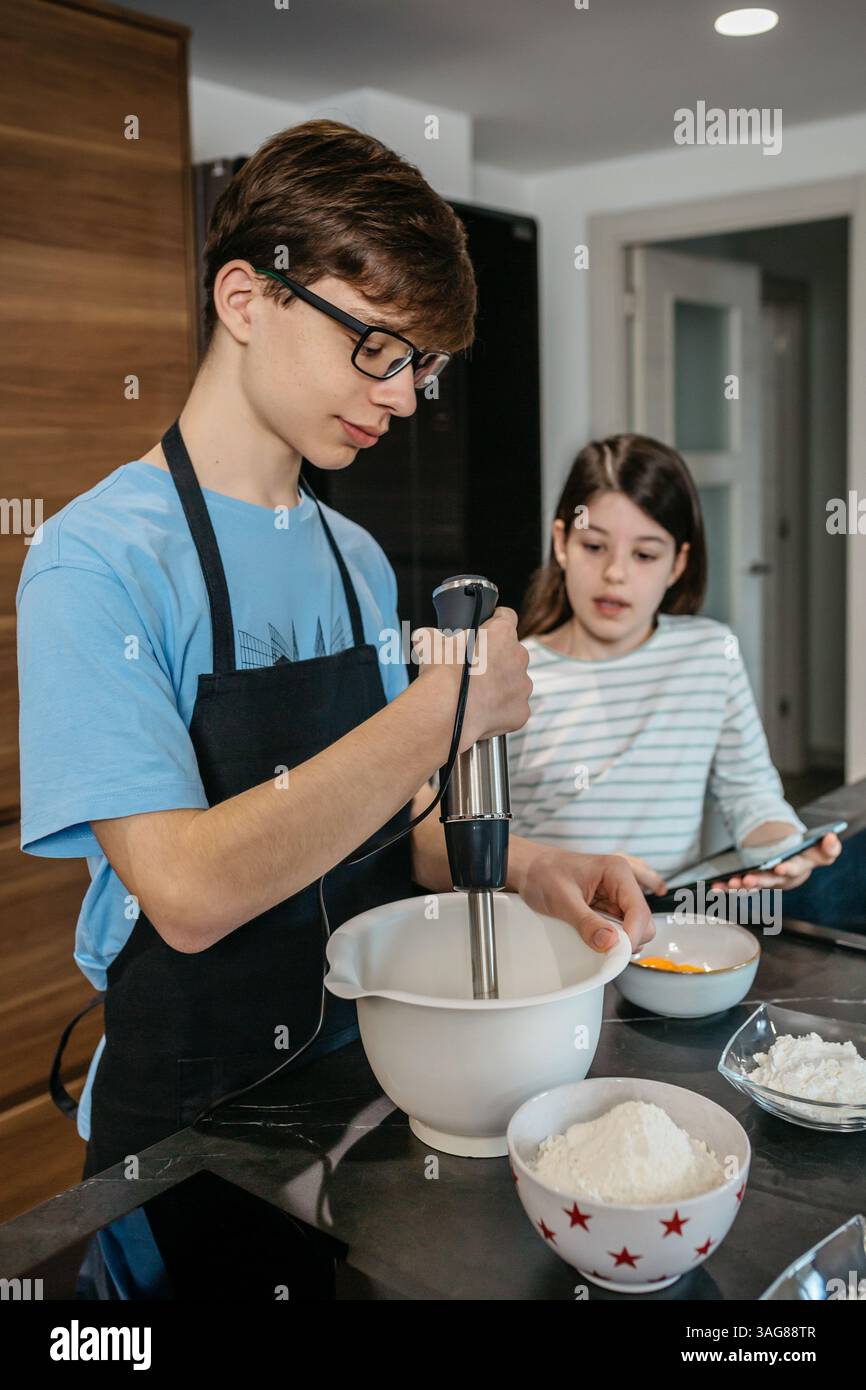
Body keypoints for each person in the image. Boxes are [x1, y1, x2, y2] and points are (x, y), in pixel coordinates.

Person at [16, 124, 652, 1298]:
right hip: (183, 1138)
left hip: (357, 1091)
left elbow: (382, 826)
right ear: (247, 297)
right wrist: (444, 709)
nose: (403, 398)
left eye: (421, 366)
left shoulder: (351, 555)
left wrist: (523, 868)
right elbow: (191, 892)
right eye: (377, 349)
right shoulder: (92, 565)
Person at [509, 433, 841, 896]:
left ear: (677, 563)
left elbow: (751, 795)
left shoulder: (710, 654)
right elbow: (477, 847)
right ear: (562, 542)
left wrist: (784, 852)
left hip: (667, 939)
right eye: (594, 546)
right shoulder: (513, 677)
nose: (616, 574)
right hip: (548, 942)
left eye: (644, 554)